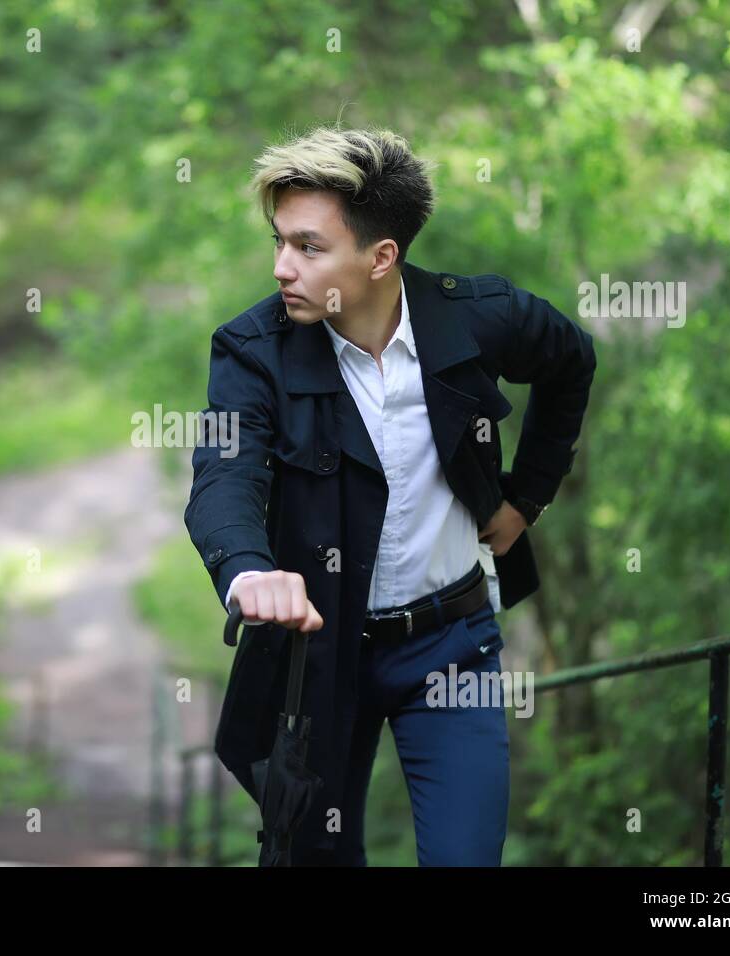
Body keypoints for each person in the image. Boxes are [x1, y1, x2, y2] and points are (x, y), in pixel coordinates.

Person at [183, 125, 596, 865]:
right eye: (279, 241)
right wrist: (248, 571)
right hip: (316, 660)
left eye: (309, 247)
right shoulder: (252, 352)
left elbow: (571, 361)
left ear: (381, 258)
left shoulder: (476, 317)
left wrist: (527, 497)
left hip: (452, 647)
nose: (282, 267)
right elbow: (224, 473)